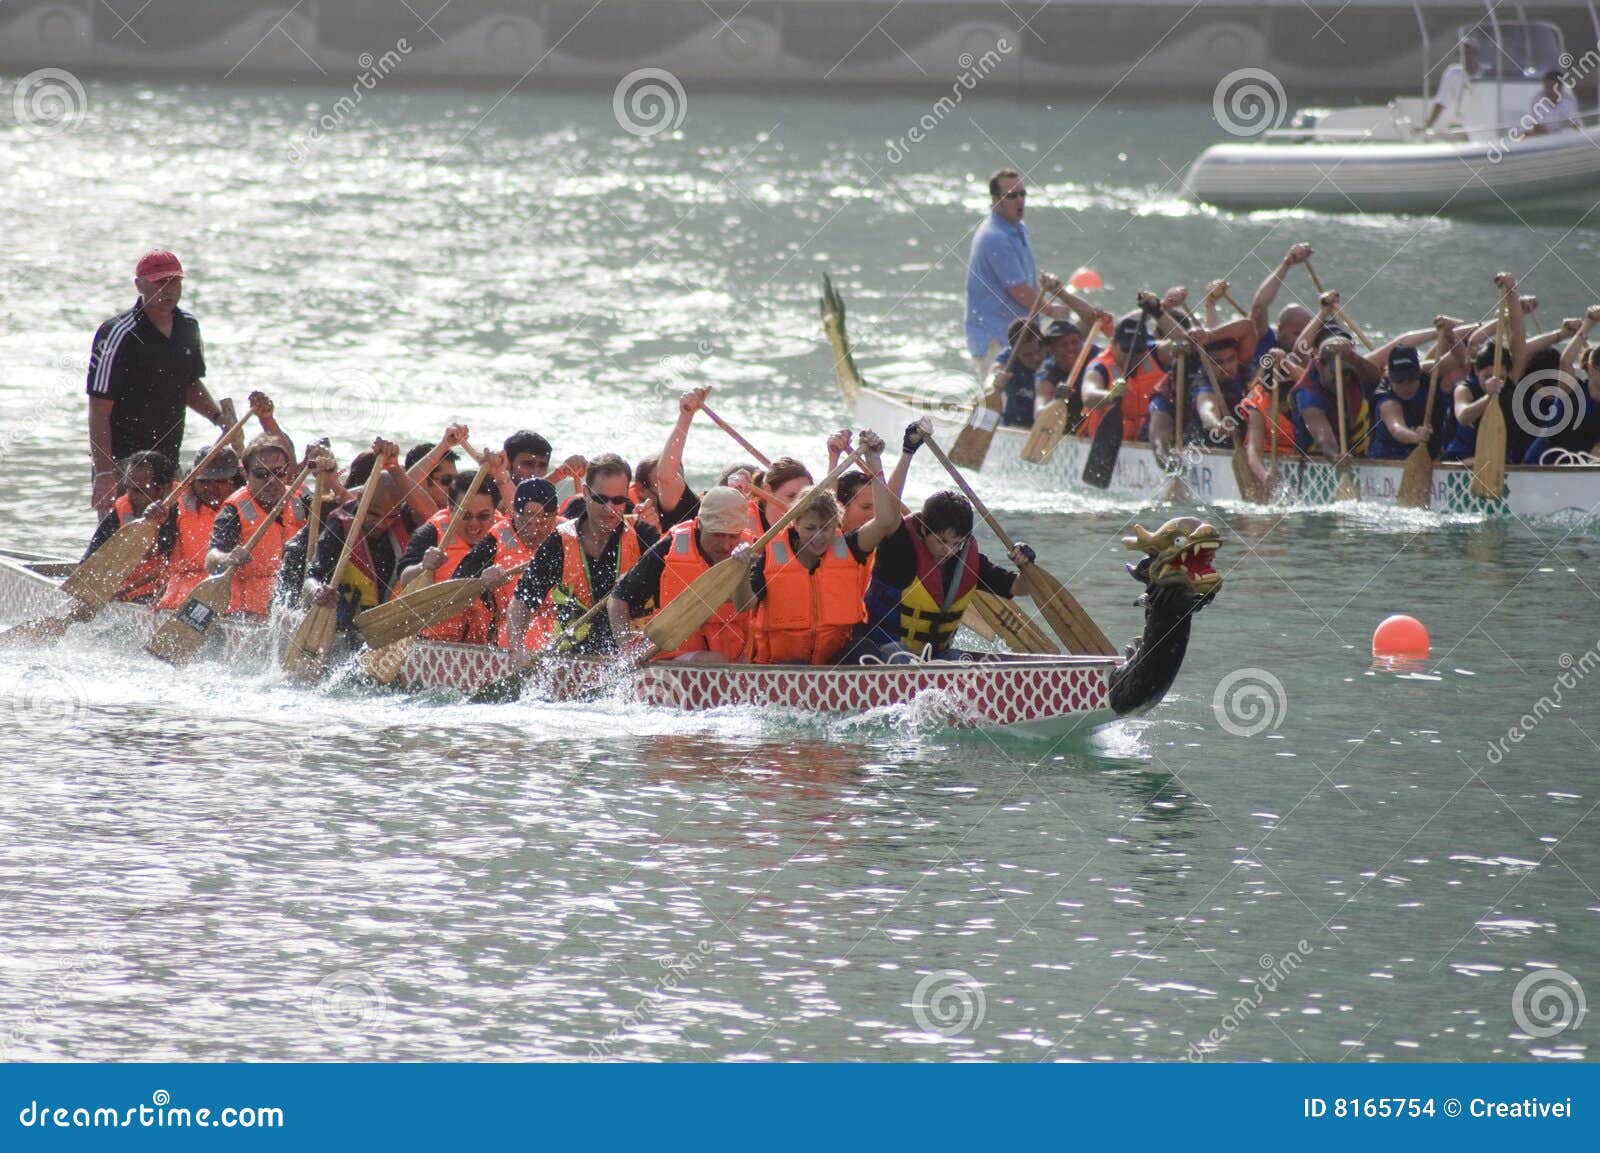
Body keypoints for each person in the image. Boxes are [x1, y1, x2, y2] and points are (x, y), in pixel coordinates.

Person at [845, 422, 1032, 663]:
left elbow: (1020, 588)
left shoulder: (967, 559)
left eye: (956, 543)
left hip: (933, 658)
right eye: (942, 541)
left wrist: (1025, 565)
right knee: (900, 657)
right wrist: (906, 453)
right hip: (881, 654)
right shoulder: (900, 546)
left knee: (959, 659)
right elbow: (887, 511)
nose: (949, 550)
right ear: (923, 529)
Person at [86, 250, 229, 515]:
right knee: (120, 542)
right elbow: (98, 407)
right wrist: (105, 473)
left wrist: (218, 417)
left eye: (175, 282)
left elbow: (189, 384)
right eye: (160, 282)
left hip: (167, 460)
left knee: (170, 539)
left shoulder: (188, 326)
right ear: (139, 284)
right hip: (123, 464)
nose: (169, 290)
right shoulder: (117, 333)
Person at [733, 434, 886, 665]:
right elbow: (743, 605)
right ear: (795, 524)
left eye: (825, 528)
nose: (818, 537)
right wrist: (741, 572)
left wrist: (874, 460)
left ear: (835, 524)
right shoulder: (769, 554)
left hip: (830, 664)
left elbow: (885, 521)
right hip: (782, 667)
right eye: (810, 528)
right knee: (796, 665)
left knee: (865, 648)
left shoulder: (850, 546)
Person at [507, 454, 660, 657]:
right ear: (586, 493)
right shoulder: (559, 541)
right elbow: (523, 600)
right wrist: (517, 648)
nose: (610, 508)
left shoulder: (644, 536)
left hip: (633, 656)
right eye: (601, 499)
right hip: (572, 657)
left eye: (618, 500)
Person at [608, 485, 752, 662]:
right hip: (675, 655)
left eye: (733, 536)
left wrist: (744, 570)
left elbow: (746, 606)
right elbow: (618, 597)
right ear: (700, 524)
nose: (725, 545)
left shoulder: (751, 551)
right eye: (718, 535)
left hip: (735, 658)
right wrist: (626, 648)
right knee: (713, 660)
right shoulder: (668, 548)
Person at [964, 168, 1070, 380]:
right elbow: (1018, 290)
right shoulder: (995, 237)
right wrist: (1050, 310)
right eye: (1011, 195)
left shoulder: (1017, 227)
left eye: (1022, 194)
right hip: (996, 337)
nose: (1019, 200)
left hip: (1018, 335)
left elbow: (1025, 280)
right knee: (999, 403)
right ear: (995, 200)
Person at [449, 477, 564, 649]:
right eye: (527, 519)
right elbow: (456, 587)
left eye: (544, 519)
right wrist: (482, 583)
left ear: (556, 514)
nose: (534, 530)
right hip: (509, 634)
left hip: (562, 631)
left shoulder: (569, 534)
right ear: (513, 513)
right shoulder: (496, 540)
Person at [392, 472, 505, 644]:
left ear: (495, 512)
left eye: (483, 516)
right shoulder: (430, 533)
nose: (474, 524)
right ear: (450, 509)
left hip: (486, 644)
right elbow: (405, 579)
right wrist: (424, 566)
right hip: (432, 642)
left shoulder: (506, 534)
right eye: (465, 515)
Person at [206, 435, 304, 616]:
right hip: (247, 613)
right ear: (246, 474)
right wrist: (228, 558)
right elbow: (211, 560)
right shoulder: (232, 511)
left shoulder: (304, 500)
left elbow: (341, 515)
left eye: (279, 472)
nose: (272, 480)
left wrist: (332, 479)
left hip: (291, 610)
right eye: (261, 474)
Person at [80, 449, 177, 603]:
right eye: (128, 488)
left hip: (172, 594)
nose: (131, 497)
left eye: (139, 491)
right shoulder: (121, 511)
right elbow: (88, 562)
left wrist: (158, 524)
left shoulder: (183, 511)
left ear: (164, 489)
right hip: (130, 597)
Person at [154, 446, 240, 611]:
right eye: (204, 481)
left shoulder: (251, 505)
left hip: (233, 603)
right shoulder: (173, 509)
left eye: (220, 482)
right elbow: (155, 553)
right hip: (183, 601)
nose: (211, 488)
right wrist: (155, 523)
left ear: (235, 481)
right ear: (192, 481)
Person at [1078, 308, 1176, 452]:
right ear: (1113, 343)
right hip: (1106, 444)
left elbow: (1185, 340)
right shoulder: (1099, 366)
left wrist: (1158, 310)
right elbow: (1088, 396)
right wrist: (1110, 395)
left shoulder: (1156, 353)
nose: (1132, 355)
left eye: (1138, 350)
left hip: (1146, 441)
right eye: (1125, 348)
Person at [1366, 344, 1441, 460]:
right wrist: (1416, 436)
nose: (1406, 386)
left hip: (1423, 461)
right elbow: (1396, 428)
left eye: (1411, 379)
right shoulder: (1388, 402)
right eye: (1399, 380)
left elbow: (1457, 359)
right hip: (1387, 464)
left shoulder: (1429, 375)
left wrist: (1449, 334)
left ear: (1419, 373)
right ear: (1389, 377)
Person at [1246, 243, 1315, 367]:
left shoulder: (1312, 354)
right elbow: (1259, 307)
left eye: (1306, 333)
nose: (1302, 340)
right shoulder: (1265, 341)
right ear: (1280, 329)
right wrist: (1287, 263)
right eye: (1296, 334)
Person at [1237, 355, 1298, 489]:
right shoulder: (1258, 403)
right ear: (1268, 392)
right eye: (1282, 399)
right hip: (1267, 455)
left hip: (1298, 455)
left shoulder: (1304, 392)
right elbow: (1253, 449)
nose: (1286, 405)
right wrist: (1264, 476)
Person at [991, 317, 1049, 427]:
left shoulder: (1055, 352)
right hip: (1014, 425)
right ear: (1015, 353)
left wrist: (1064, 298)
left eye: (1038, 351)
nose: (1036, 358)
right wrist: (995, 380)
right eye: (1027, 355)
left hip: (1045, 427)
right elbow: (993, 373)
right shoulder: (1008, 357)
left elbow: (1088, 320)